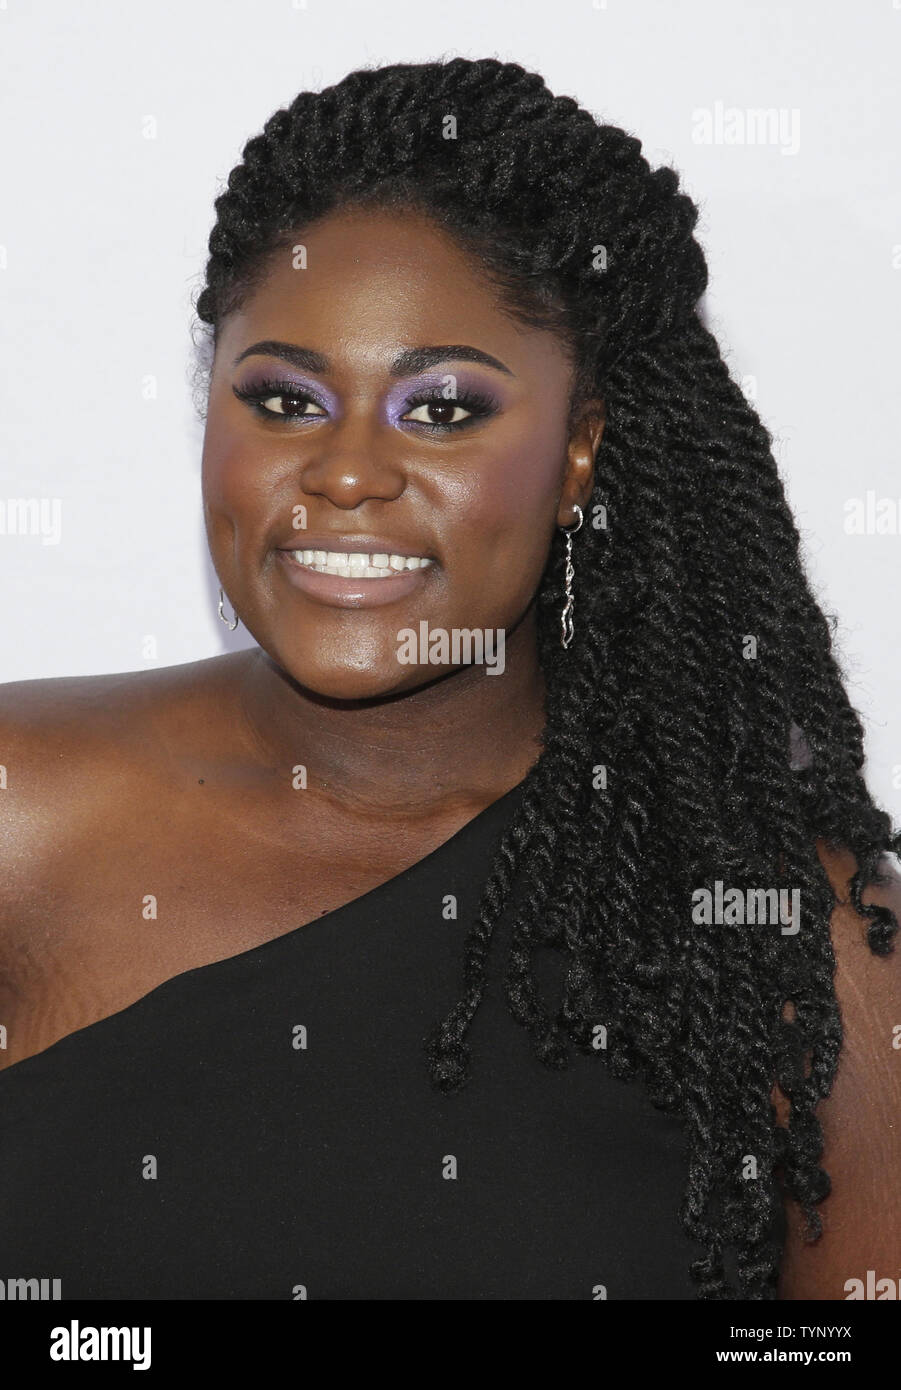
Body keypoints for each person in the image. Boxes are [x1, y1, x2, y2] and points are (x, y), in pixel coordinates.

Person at [1, 57, 899, 1301]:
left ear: (580, 448)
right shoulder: (21, 811)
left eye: (441, 409)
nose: (346, 472)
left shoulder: (786, 941)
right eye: (285, 398)